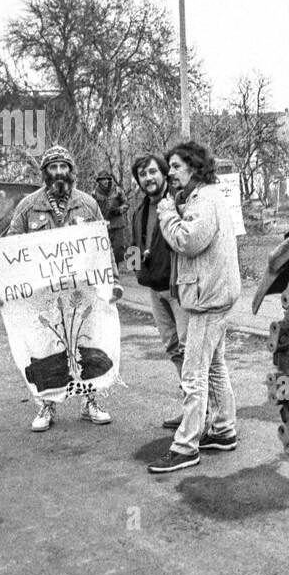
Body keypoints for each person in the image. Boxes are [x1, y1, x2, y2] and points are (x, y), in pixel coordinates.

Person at [0, 145, 122, 432]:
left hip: (81, 292)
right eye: (53, 168)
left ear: (71, 171)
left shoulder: (88, 204)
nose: (59, 173)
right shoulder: (28, 206)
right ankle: (47, 404)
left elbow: (103, 245)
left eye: (63, 167)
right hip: (45, 296)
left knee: (86, 343)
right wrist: (1, 286)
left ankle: (90, 401)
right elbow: (11, 249)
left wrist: (112, 280)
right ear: (45, 173)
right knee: (45, 346)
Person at [146, 140, 240, 474]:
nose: (169, 173)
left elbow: (188, 241)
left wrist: (168, 214)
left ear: (194, 167)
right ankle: (224, 430)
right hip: (215, 293)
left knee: (194, 371)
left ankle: (186, 446)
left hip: (207, 299)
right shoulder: (206, 196)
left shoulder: (205, 199)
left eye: (175, 166)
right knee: (214, 365)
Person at [131, 151, 188, 429]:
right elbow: (132, 244)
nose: (148, 178)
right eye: (143, 174)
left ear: (164, 173)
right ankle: (191, 407)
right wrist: (136, 268)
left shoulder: (177, 203)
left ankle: (204, 411)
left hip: (178, 289)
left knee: (191, 350)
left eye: (152, 172)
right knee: (173, 348)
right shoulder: (140, 210)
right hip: (154, 289)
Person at [93, 171, 128, 265]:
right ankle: (109, 271)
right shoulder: (94, 193)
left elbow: (126, 203)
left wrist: (119, 210)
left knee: (119, 250)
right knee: (103, 250)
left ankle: (116, 267)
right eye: (102, 179)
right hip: (103, 226)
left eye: (107, 179)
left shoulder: (118, 190)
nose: (105, 181)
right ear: (99, 181)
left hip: (118, 224)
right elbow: (92, 209)